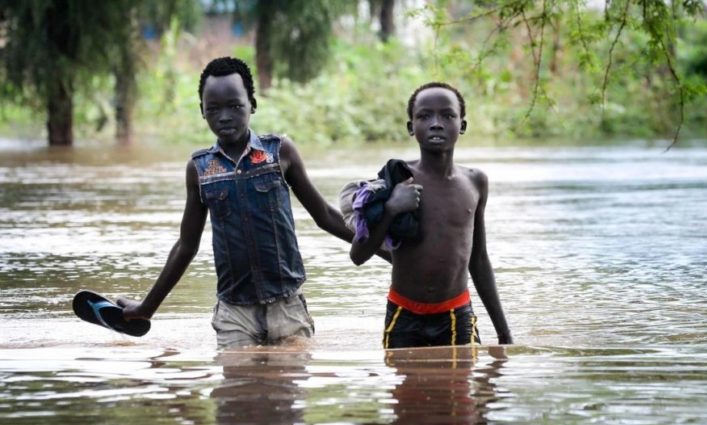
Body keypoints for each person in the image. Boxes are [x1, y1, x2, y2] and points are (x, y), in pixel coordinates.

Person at [118, 56, 360, 348]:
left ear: (252, 105)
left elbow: (325, 216)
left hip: (287, 306)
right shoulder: (201, 169)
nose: (224, 116)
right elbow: (186, 246)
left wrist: (390, 254)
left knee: (286, 387)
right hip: (234, 313)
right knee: (237, 388)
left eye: (234, 106)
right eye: (214, 109)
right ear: (202, 112)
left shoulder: (279, 153)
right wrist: (147, 308)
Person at [350, 82, 513, 348]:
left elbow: (479, 259)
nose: (436, 123)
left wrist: (504, 334)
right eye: (424, 116)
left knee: (462, 388)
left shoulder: (475, 182)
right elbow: (358, 255)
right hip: (403, 315)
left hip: (456, 314)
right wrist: (391, 208)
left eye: (447, 115)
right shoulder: (395, 179)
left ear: (462, 125)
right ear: (410, 127)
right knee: (406, 388)